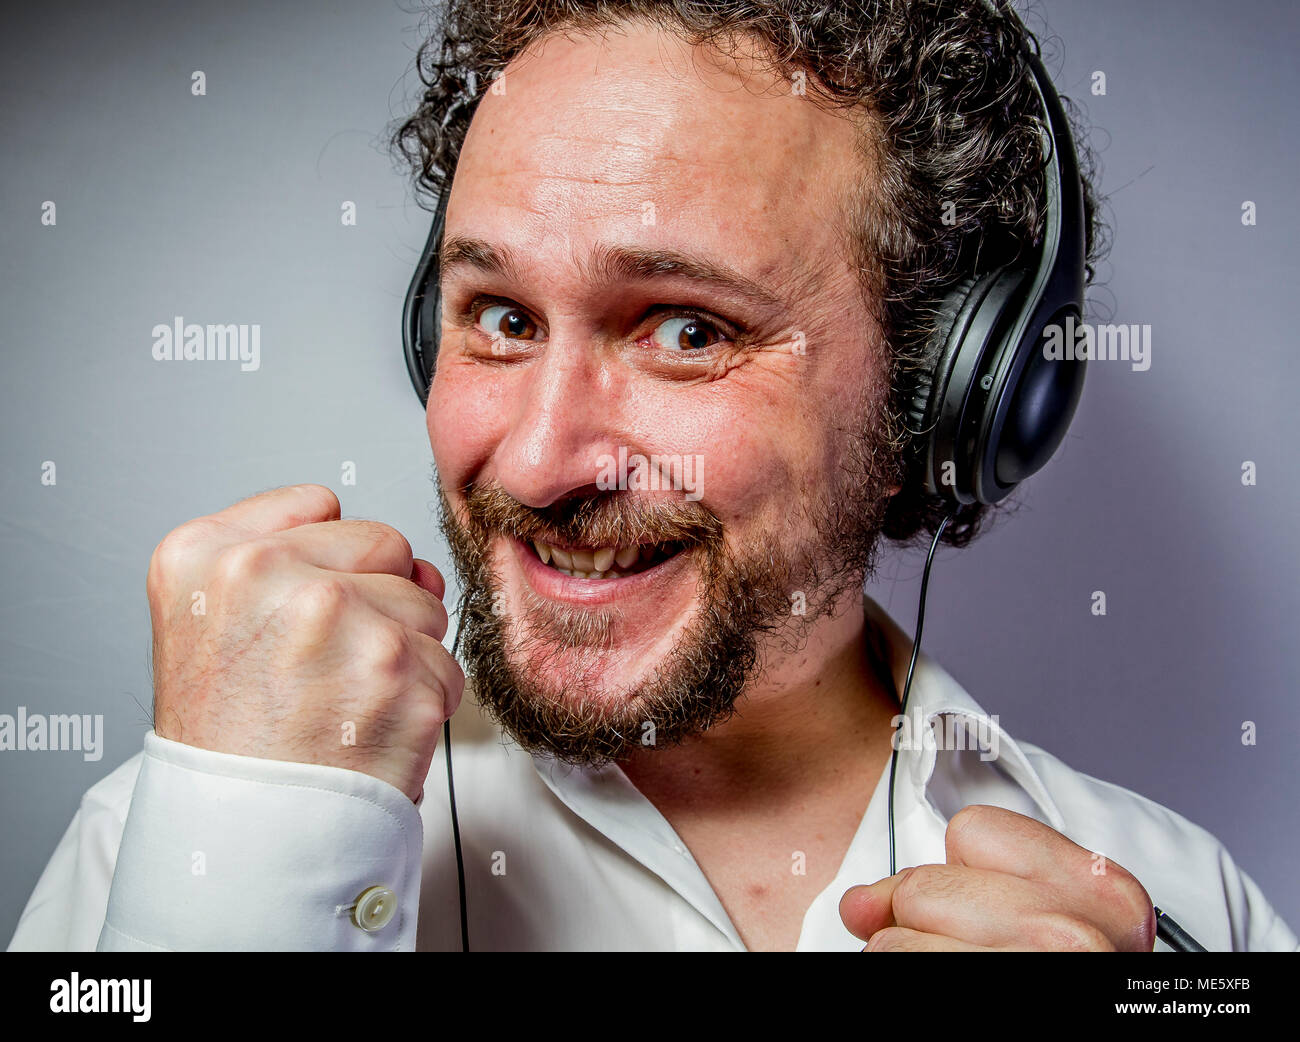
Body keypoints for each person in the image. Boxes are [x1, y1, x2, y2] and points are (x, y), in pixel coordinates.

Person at [9, 0, 1295, 952]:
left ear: (939, 394)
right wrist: (240, 857)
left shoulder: (1175, 917)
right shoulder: (179, 839)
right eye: (500, 316)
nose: (533, 458)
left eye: (688, 330)